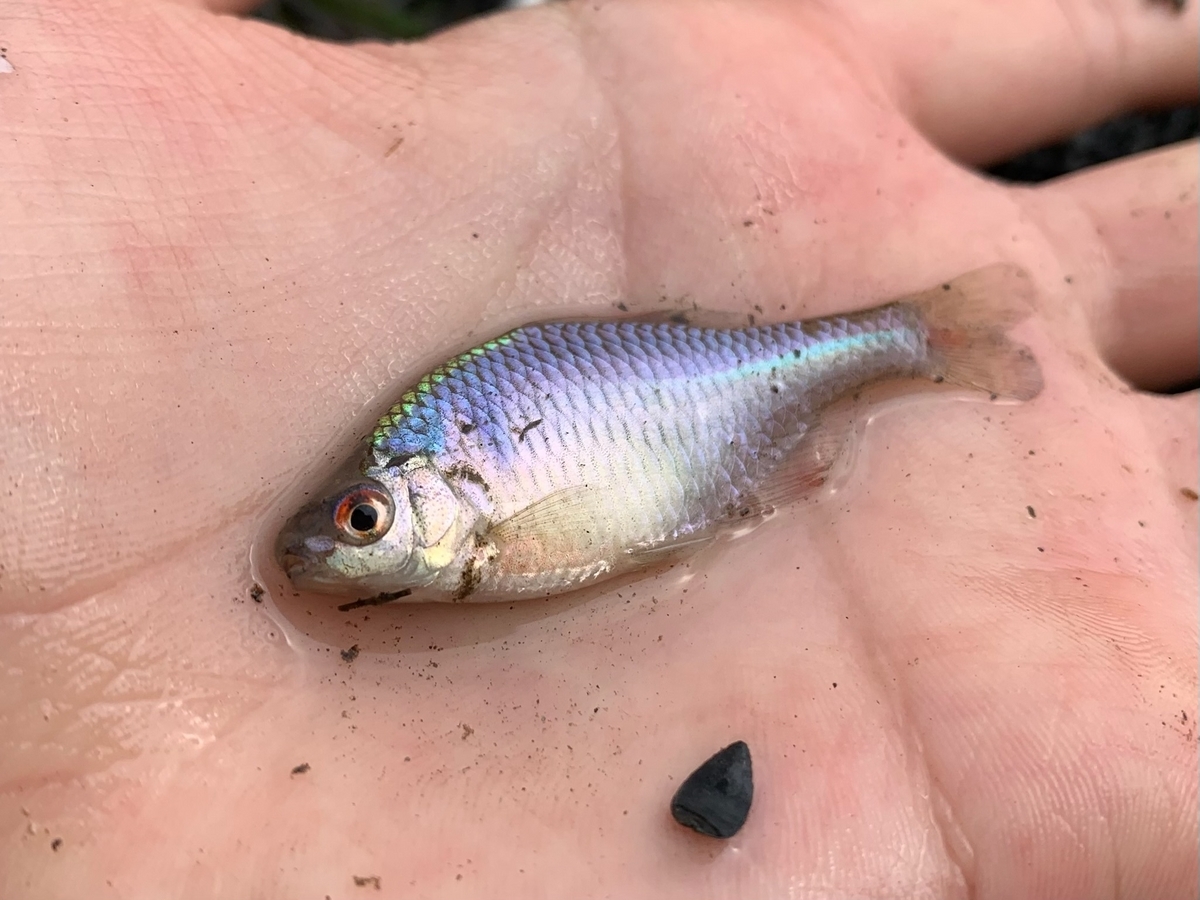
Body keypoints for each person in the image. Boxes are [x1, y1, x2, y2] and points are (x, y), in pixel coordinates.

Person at [1, 0, 1195, 896]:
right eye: (359, 522)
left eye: (363, 518)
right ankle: (906, 332)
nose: (344, 539)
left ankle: (908, 330)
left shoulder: (479, 509)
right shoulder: (458, 514)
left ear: (424, 492)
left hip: (710, 416)